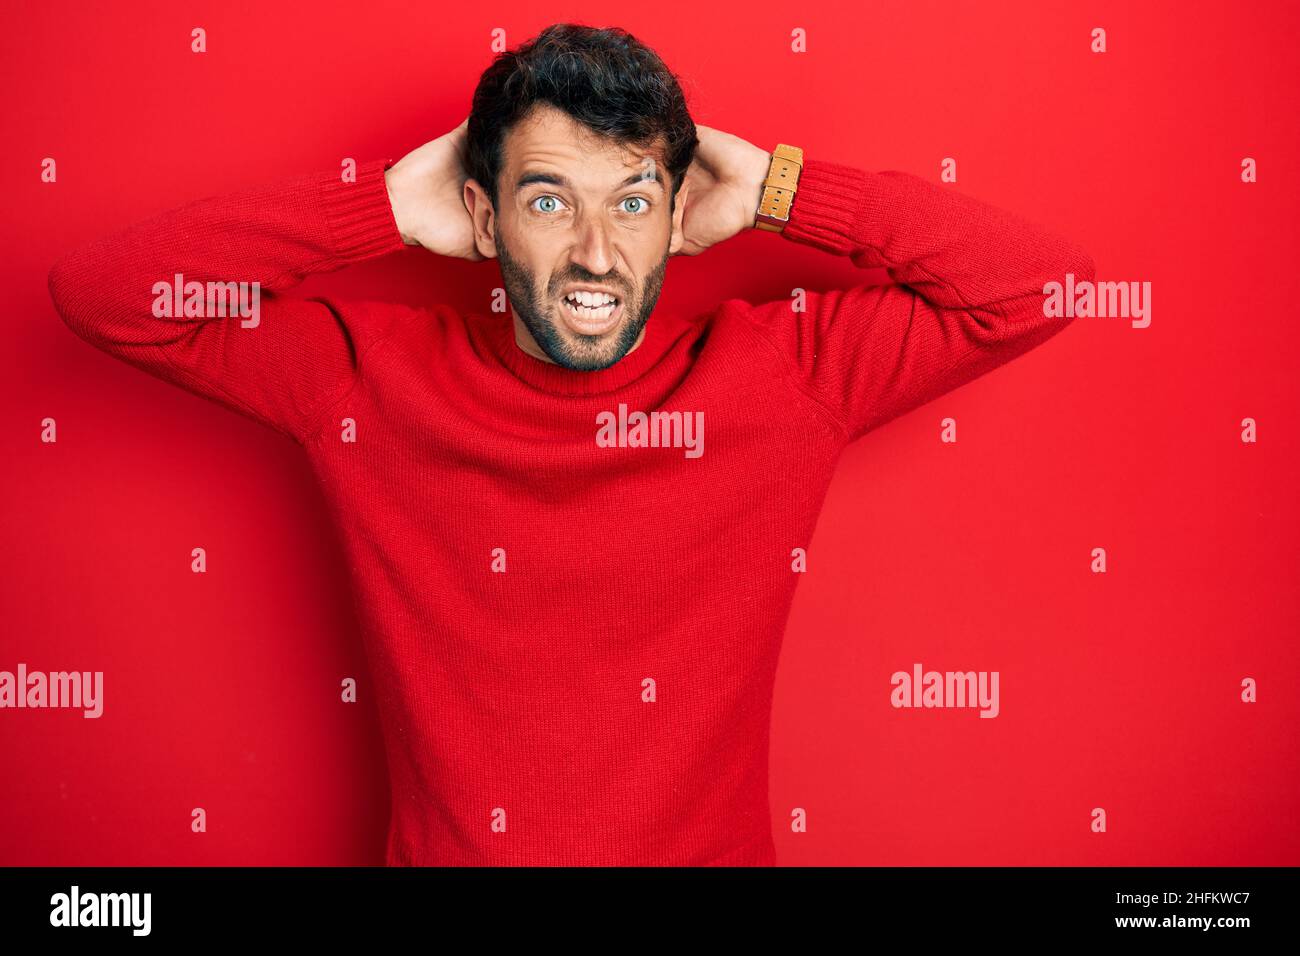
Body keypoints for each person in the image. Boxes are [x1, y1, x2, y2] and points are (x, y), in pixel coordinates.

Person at [47, 22, 1094, 866]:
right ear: (482, 217)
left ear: (681, 215)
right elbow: (108, 298)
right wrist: (376, 209)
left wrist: (781, 187)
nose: (596, 252)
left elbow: (1039, 286)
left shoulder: (782, 378)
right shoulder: (364, 383)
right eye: (549, 200)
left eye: (631, 201)